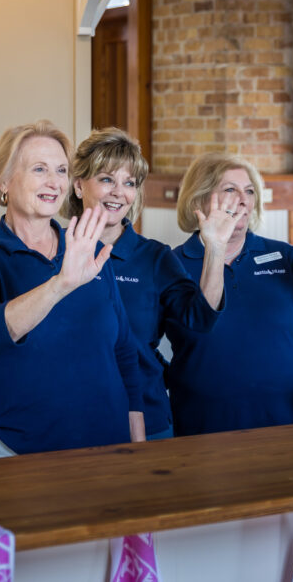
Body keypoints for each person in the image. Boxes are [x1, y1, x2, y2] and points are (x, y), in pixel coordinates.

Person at [0, 120, 145, 460]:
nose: (53, 181)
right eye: (39, 169)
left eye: (60, 170)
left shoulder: (85, 246)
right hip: (12, 446)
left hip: (105, 444)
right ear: (4, 182)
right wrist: (61, 283)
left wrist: (138, 444)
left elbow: (124, 352)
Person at [167, 153, 293, 435]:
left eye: (249, 191)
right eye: (230, 190)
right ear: (200, 199)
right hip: (204, 420)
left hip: (284, 415)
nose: (243, 199)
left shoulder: (283, 256)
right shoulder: (171, 263)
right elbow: (155, 341)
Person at [65, 128, 238, 439]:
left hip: (146, 416)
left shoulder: (154, 258)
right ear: (79, 185)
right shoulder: (53, 250)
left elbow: (200, 319)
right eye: (106, 179)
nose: (119, 192)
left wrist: (215, 248)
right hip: (68, 416)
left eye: (129, 183)